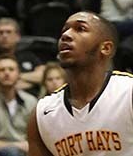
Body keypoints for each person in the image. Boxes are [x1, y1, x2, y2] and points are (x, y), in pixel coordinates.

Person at [28, 12, 132, 156]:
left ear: (105, 48)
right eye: (64, 30)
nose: (66, 35)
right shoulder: (42, 113)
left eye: (80, 29)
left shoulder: (128, 91)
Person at [0, 18, 44, 91]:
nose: (4, 36)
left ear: (18, 36)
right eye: (0, 32)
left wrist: (16, 77)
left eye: (8, 32)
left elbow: (43, 76)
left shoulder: (29, 55)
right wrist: (31, 81)